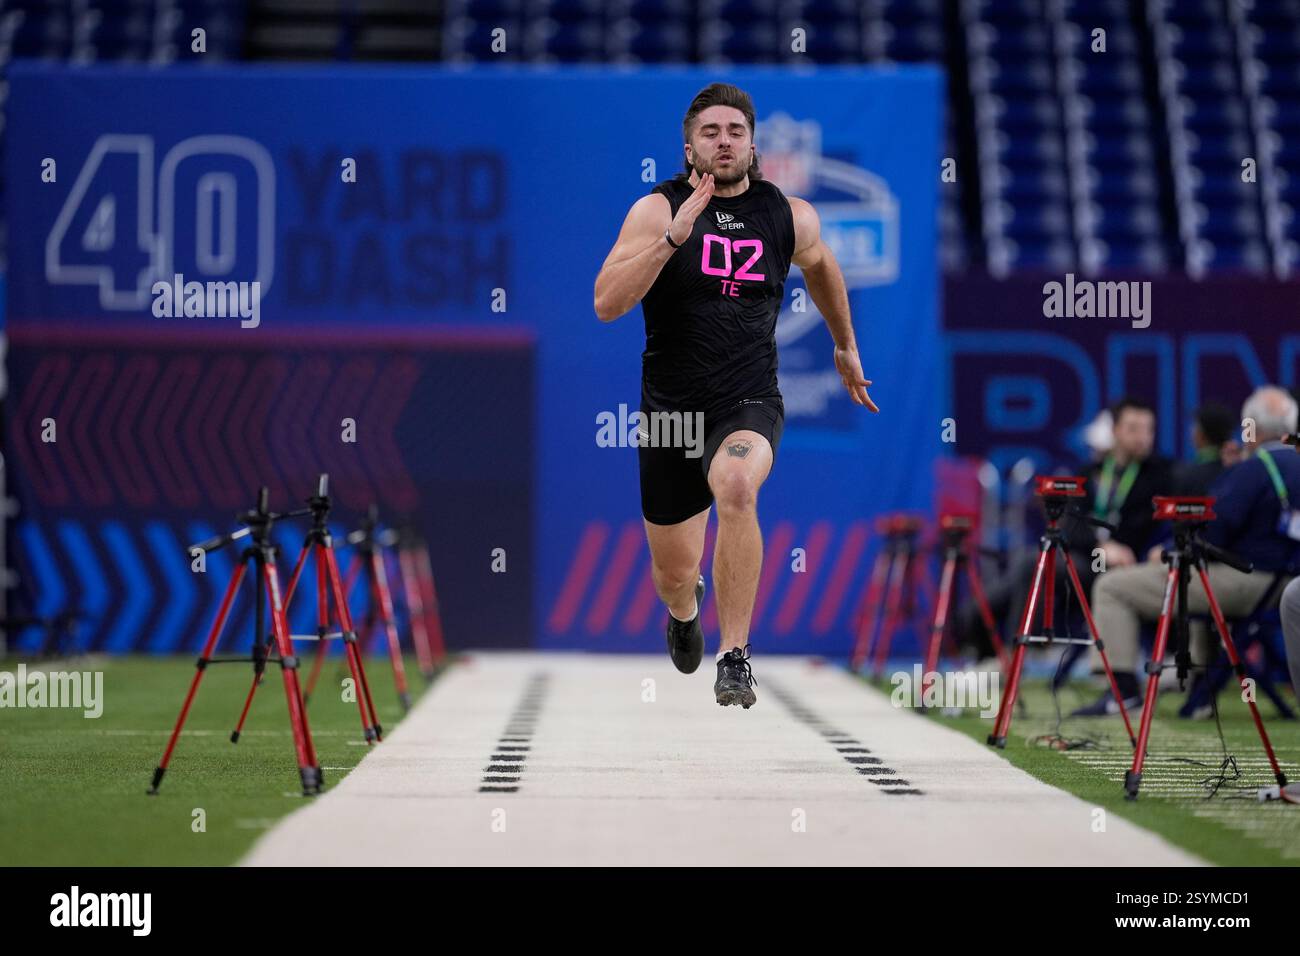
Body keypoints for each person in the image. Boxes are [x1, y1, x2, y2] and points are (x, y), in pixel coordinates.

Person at [593, 83, 877, 707]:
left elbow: (823, 264)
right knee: (672, 574)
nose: (724, 142)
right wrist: (673, 237)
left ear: (752, 144)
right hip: (671, 413)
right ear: (688, 146)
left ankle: (737, 655)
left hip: (747, 400)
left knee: (738, 487)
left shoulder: (789, 213)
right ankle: (685, 610)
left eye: (736, 132)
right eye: (710, 133)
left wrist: (844, 345)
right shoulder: (655, 209)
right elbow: (606, 304)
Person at [1073, 386, 1300, 716]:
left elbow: (1214, 528)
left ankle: (1123, 694)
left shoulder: (1253, 469)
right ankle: (1201, 689)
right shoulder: (1288, 464)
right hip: (1288, 581)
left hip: (1251, 583)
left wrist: (1166, 550)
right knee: (1199, 590)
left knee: (1112, 587)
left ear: (1253, 427)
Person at [955, 398, 1171, 661]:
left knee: (1031, 564)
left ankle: (1016, 655)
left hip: (1123, 566)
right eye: (1134, 429)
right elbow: (1071, 525)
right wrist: (1099, 544)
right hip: (1091, 557)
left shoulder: (1162, 475)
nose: (1143, 437)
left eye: (1148, 429)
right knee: (1021, 571)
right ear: (1115, 431)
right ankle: (979, 631)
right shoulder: (1090, 472)